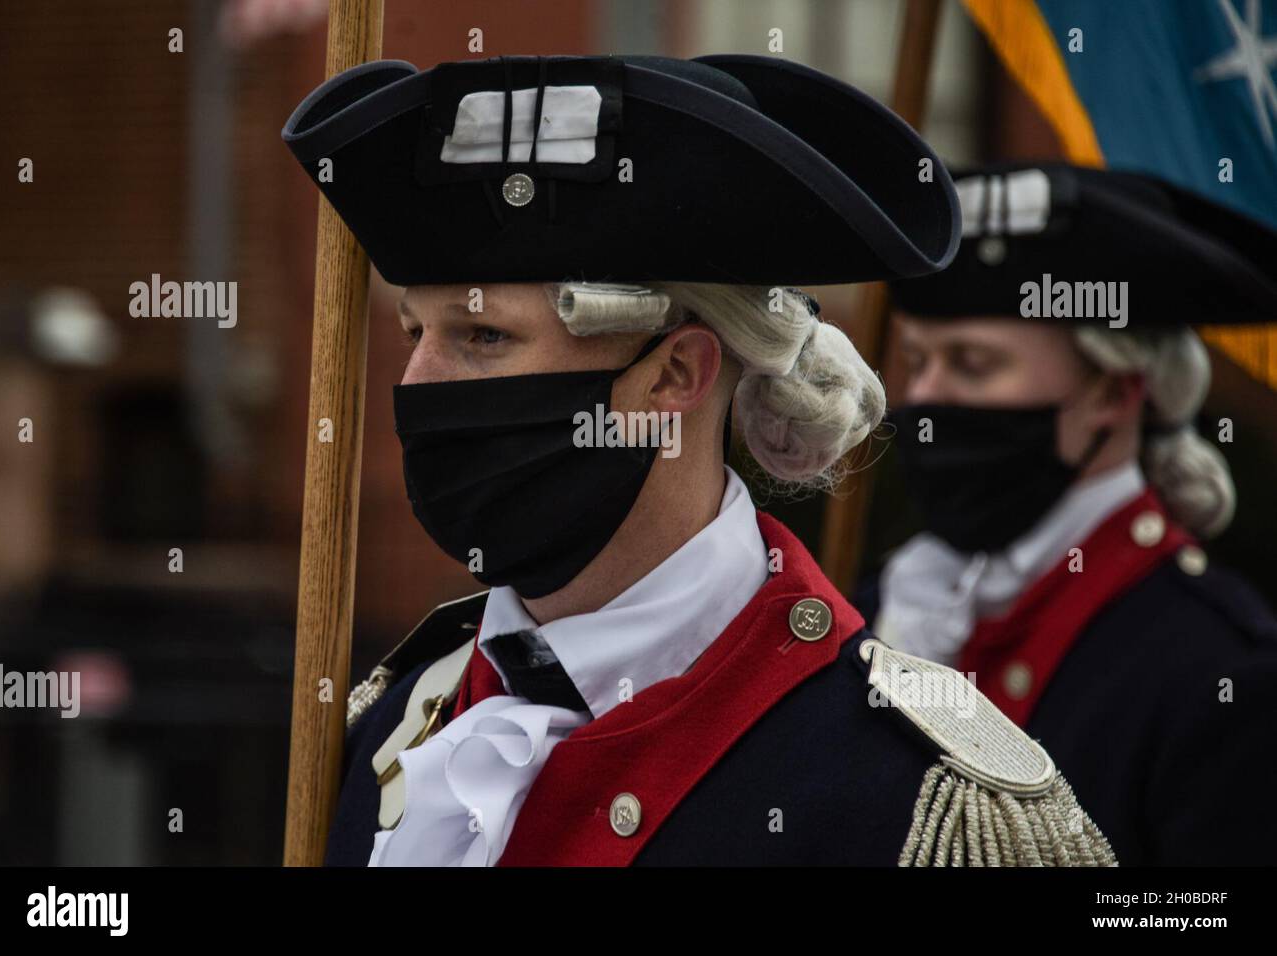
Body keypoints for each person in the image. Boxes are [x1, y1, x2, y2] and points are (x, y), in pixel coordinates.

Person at [283, 55, 1114, 866]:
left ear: (674, 375)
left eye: (483, 335)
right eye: (414, 332)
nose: (416, 383)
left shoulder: (901, 796)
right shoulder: (388, 724)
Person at [874, 162, 1277, 865]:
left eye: (972, 364)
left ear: (1113, 393)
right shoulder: (877, 607)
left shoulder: (1222, 672)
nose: (925, 399)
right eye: (916, 361)